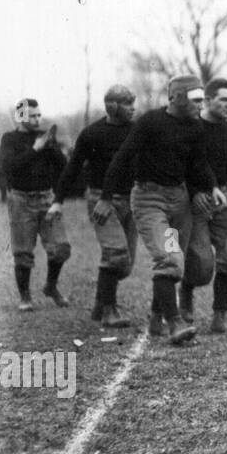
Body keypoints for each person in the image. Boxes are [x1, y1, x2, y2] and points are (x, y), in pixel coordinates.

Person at [99, 75, 225, 346]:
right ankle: (175, 322)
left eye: (202, 99)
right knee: (169, 259)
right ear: (176, 97)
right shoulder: (150, 123)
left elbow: (198, 164)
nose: (200, 105)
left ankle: (157, 314)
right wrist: (106, 197)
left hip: (178, 202)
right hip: (150, 200)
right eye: (195, 100)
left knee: (181, 259)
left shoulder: (195, 127)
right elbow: (122, 158)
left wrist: (210, 187)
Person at [47, 85, 137, 327]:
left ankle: (99, 304)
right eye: (128, 104)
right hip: (101, 200)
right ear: (112, 106)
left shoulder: (137, 130)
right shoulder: (92, 133)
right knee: (115, 254)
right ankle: (109, 311)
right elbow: (72, 168)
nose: (133, 108)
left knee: (125, 264)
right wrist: (57, 201)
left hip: (132, 200)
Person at [180, 78, 227, 333]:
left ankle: (219, 317)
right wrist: (195, 191)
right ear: (208, 100)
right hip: (196, 202)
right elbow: (182, 166)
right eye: (224, 99)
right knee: (201, 266)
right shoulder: (191, 127)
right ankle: (185, 294)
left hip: (225, 200)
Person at [0, 98, 71, 311]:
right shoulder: (9, 139)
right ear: (20, 116)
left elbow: (64, 166)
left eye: (39, 115)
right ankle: (25, 296)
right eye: (33, 115)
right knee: (23, 252)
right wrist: (35, 149)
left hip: (46, 198)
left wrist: (51, 146)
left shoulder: (44, 137)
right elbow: (10, 168)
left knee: (60, 247)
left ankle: (50, 286)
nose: (38, 119)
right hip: (21, 200)